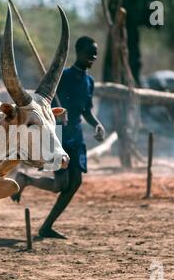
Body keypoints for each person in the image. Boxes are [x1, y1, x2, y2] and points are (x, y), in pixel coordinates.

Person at [11, 36, 105, 239]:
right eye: (90, 53)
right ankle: (25, 180)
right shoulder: (60, 77)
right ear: (78, 52)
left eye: (95, 54)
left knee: (75, 183)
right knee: (60, 185)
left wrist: (97, 124)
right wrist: (56, 112)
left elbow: (87, 111)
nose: (93, 57)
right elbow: (40, 101)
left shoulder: (89, 82)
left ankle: (47, 227)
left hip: (76, 136)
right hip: (58, 135)